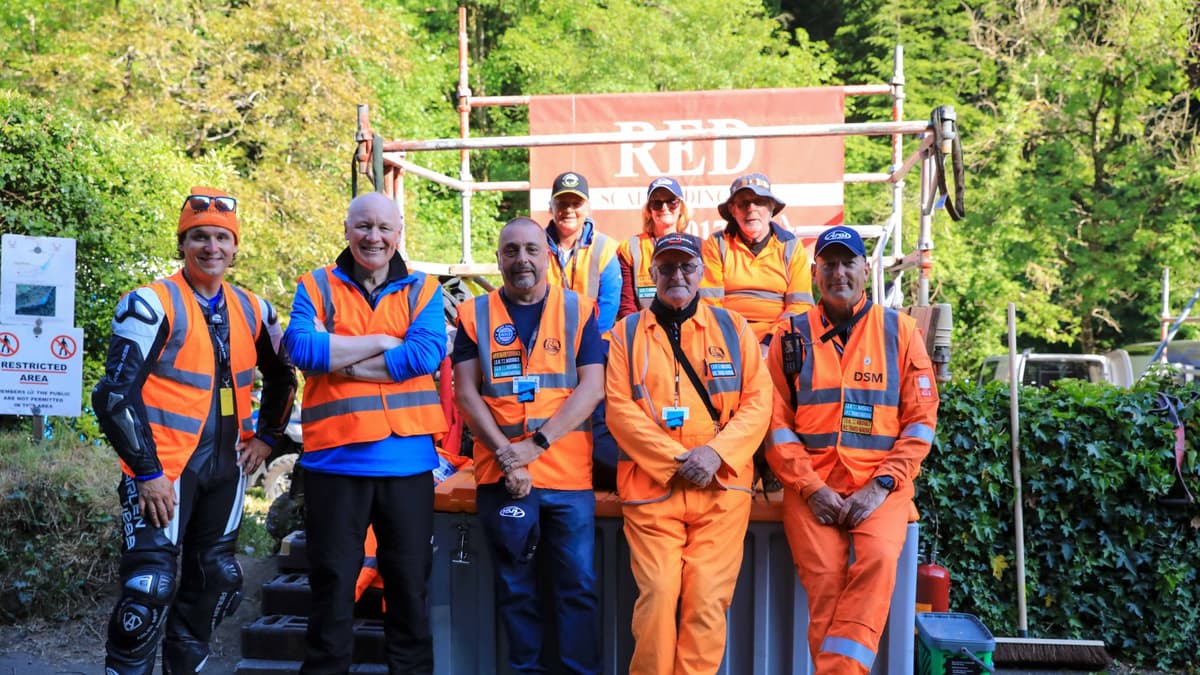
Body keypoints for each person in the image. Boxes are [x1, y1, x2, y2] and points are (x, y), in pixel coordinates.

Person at [93, 186, 297, 674]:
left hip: (225, 471)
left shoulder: (255, 310)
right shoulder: (150, 303)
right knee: (148, 590)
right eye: (199, 237)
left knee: (217, 582)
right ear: (182, 243)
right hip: (162, 473)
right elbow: (112, 396)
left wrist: (267, 437)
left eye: (222, 238)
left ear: (235, 247)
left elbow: (284, 378)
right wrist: (146, 473)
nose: (212, 247)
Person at [283, 191, 448, 675]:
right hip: (333, 463)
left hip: (408, 465)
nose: (373, 237)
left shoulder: (425, 289)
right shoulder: (314, 286)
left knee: (408, 590)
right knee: (332, 590)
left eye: (383, 228)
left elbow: (423, 356)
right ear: (347, 230)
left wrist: (342, 362)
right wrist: (380, 342)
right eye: (363, 227)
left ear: (399, 234)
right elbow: (302, 350)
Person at [764, 225, 938, 674]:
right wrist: (810, 487)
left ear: (866, 269)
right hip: (812, 490)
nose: (839, 273)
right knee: (825, 587)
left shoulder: (900, 332)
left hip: (880, 488)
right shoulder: (788, 337)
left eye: (848, 263)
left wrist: (881, 486)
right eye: (829, 264)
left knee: (878, 561)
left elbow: (920, 423)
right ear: (815, 274)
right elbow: (775, 426)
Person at [606, 232, 771, 675]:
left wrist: (715, 455)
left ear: (702, 272)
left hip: (721, 492)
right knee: (658, 599)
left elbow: (760, 402)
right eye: (667, 267)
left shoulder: (734, 328)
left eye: (686, 266)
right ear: (653, 273)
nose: (677, 275)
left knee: (705, 606)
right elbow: (619, 411)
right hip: (651, 493)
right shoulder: (625, 334)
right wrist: (678, 461)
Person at [452, 217, 605, 675]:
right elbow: (465, 394)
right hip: (502, 478)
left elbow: (593, 387)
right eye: (511, 251)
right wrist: (508, 456)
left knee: (577, 589)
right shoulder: (474, 315)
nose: (522, 260)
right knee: (516, 590)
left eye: (532, 250)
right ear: (499, 260)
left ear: (547, 256)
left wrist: (535, 446)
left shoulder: (579, 308)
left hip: (568, 480)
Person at [544, 170, 622, 490]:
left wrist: (579, 349)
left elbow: (608, 309)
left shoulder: (605, 250)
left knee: (598, 408)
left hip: (593, 345)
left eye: (576, 203)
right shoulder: (535, 244)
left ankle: (602, 473)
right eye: (562, 202)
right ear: (551, 206)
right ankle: (549, 469)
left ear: (587, 207)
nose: (569, 210)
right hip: (546, 345)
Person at [699, 172, 814, 353]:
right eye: (743, 203)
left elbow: (801, 306)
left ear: (771, 208)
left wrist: (770, 342)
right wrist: (736, 343)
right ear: (732, 210)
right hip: (728, 339)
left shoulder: (791, 246)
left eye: (759, 201)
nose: (751, 208)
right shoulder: (716, 243)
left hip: (781, 340)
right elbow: (709, 304)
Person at [616, 177, 692, 320]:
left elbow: (702, 301)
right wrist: (637, 333)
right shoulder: (630, 248)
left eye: (672, 201)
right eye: (657, 203)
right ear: (649, 210)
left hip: (687, 329)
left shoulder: (697, 247)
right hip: (644, 330)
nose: (664, 207)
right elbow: (627, 304)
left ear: (681, 207)